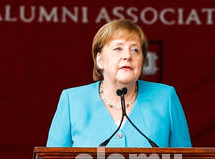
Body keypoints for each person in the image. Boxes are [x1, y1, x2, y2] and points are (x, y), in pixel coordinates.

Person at [47, 19, 191, 148]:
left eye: (135, 50)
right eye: (118, 48)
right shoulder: (72, 100)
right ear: (99, 60)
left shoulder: (165, 98)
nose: (128, 56)